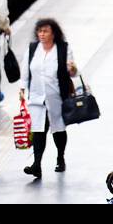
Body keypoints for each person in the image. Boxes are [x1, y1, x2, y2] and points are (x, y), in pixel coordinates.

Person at [21, 17, 77, 179]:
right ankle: (36, 165)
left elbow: (73, 71)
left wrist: (72, 69)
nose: (42, 34)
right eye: (40, 31)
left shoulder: (63, 49)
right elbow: (26, 69)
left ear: (54, 33)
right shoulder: (33, 49)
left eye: (46, 31)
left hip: (57, 96)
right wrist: (22, 88)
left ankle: (60, 157)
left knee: (58, 128)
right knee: (38, 129)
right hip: (37, 96)